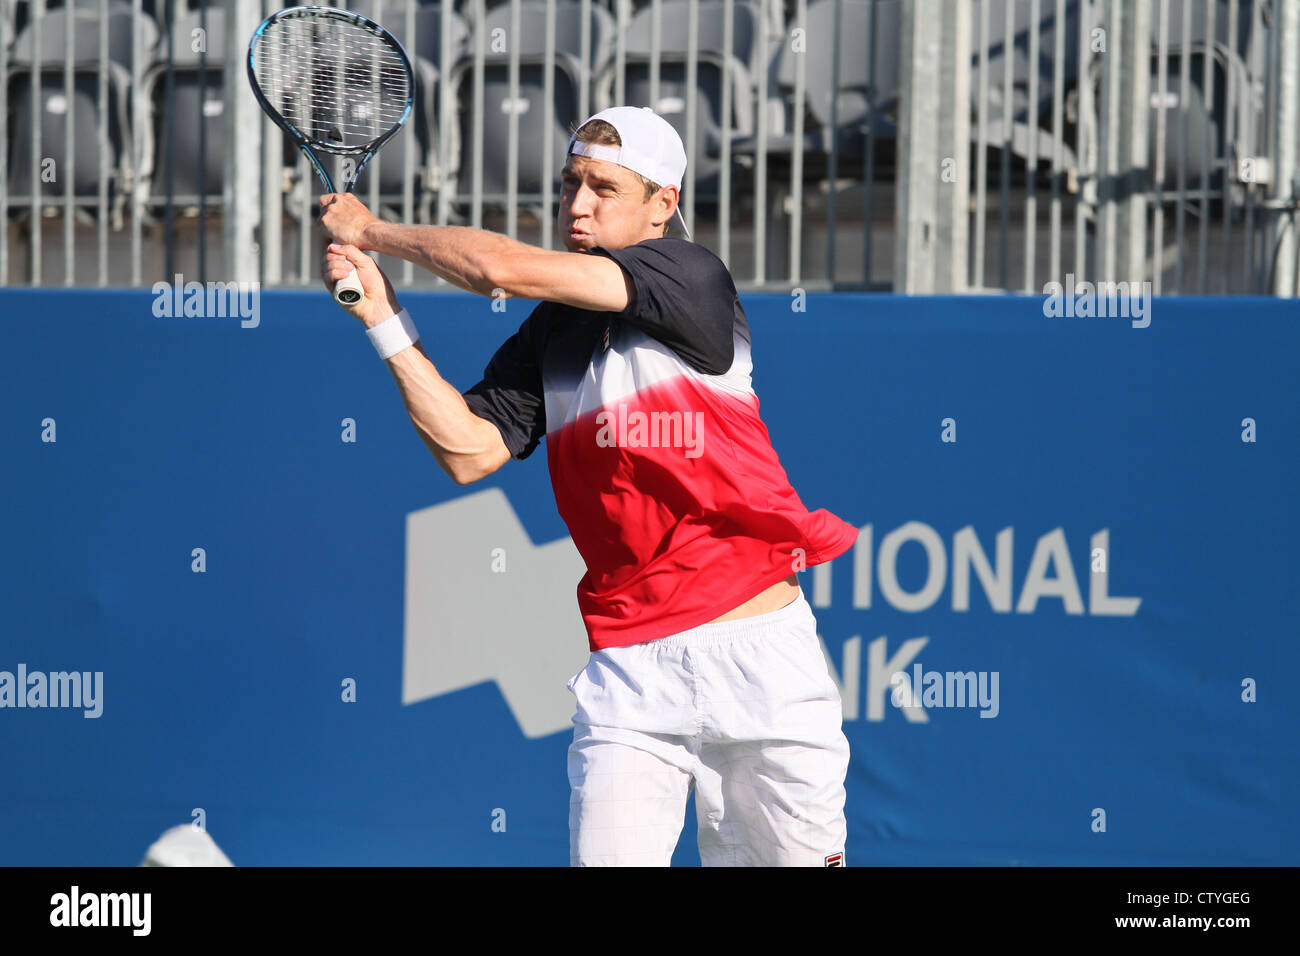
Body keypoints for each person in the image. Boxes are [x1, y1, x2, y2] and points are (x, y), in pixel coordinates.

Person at [319, 106, 859, 866]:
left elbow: (499, 269)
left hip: (760, 662)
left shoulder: (691, 275)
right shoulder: (555, 330)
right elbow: (469, 451)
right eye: (572, 182)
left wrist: (374, 232)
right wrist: (383, 319)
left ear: (662, 204)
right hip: (631, 672)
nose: (577, 204)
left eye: (603, 187)